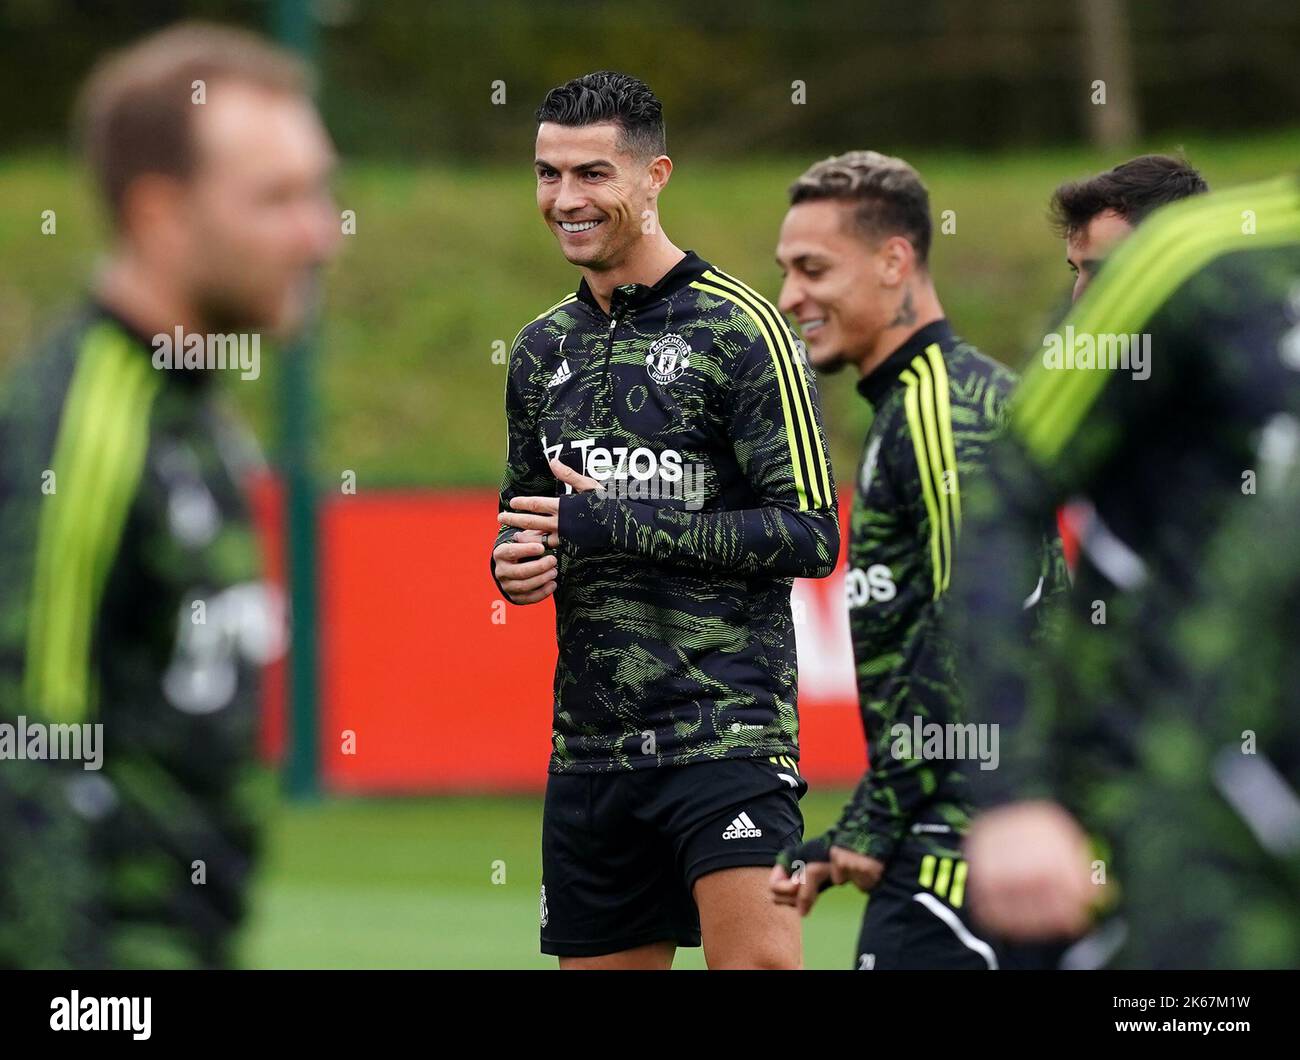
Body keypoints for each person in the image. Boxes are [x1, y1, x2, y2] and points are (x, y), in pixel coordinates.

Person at [0, 22, 339, 968]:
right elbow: (25, 753)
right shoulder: (83, 426)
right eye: (278, 198)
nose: (319, 234)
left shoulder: (198, 419)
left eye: (320, 191)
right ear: (159, 214)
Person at [491, 71, 838, 969]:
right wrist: (516, 561)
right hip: (591, 753)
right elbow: (525, 516)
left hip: (726, 734)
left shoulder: (744, 329)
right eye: (547, 174)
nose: (565, 199)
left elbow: (809, 534)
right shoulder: (538, 350)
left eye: (593, 174)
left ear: (654, 177)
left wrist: (618, 525)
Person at [954, 174, 1300, 966]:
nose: (1084, 294)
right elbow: (1003, 500)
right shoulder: (1201, 261)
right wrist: (1015, 795)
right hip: (1203, 816)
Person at [766, 151, 1064, 969]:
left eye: (813, 268)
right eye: (787, 271)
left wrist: (876, 816)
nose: (792, 296)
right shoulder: (913, 401)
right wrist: (852, 836)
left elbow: (980, 615)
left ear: (895, 261)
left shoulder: (936, 403)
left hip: (962, 856)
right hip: (959, 837)